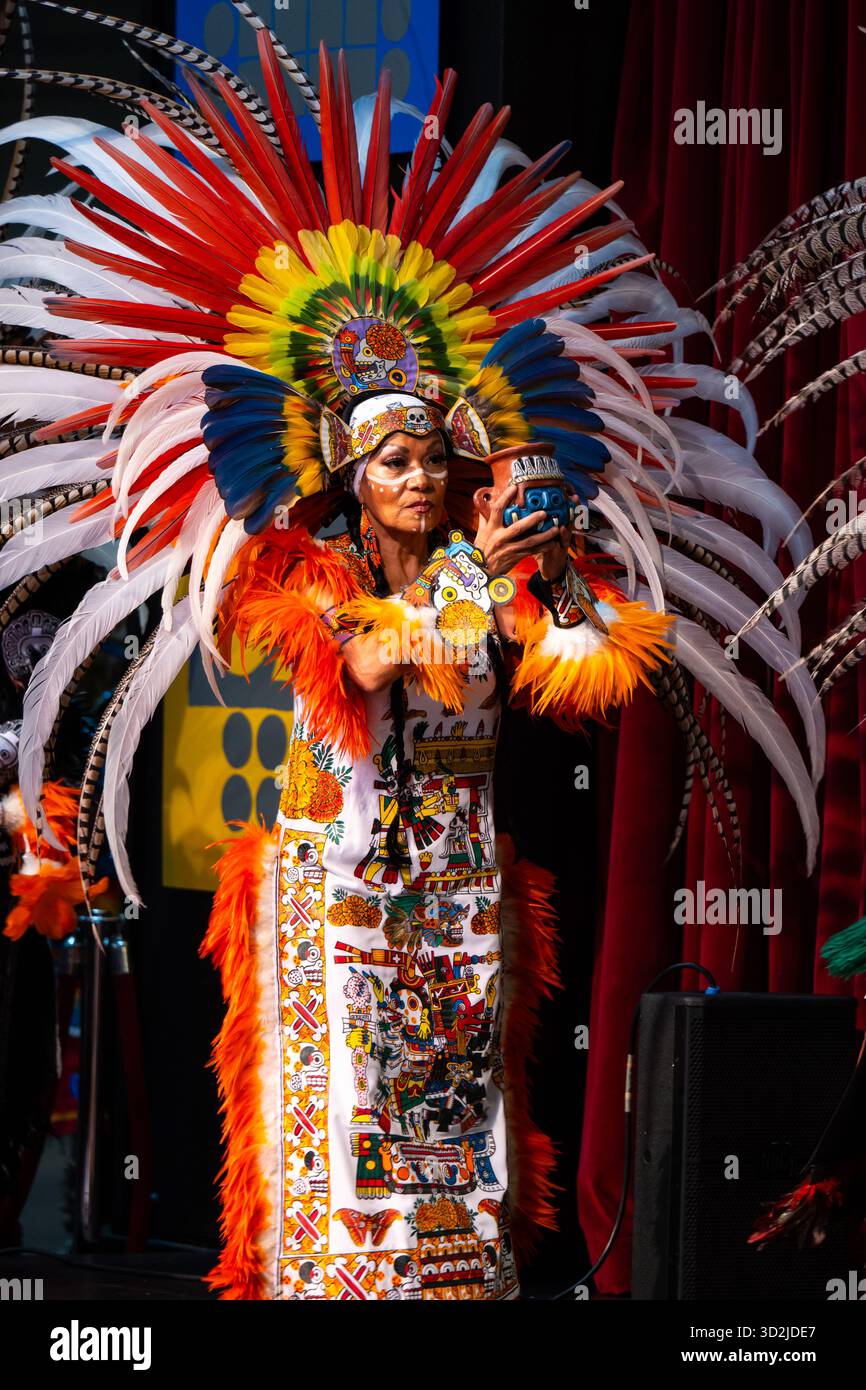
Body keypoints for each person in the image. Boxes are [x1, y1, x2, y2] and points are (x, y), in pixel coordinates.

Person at [0, 10, 821, 1298]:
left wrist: (550, 577)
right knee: (344, 1194)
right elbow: (376, 673)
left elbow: (592, 667)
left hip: (459, 903)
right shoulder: (299, 578)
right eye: (395, 459)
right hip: (336, 900)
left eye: (439, 455)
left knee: (467, 1167)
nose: (424, 475)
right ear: (350, 481)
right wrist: (479, 586)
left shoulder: (490, 572)